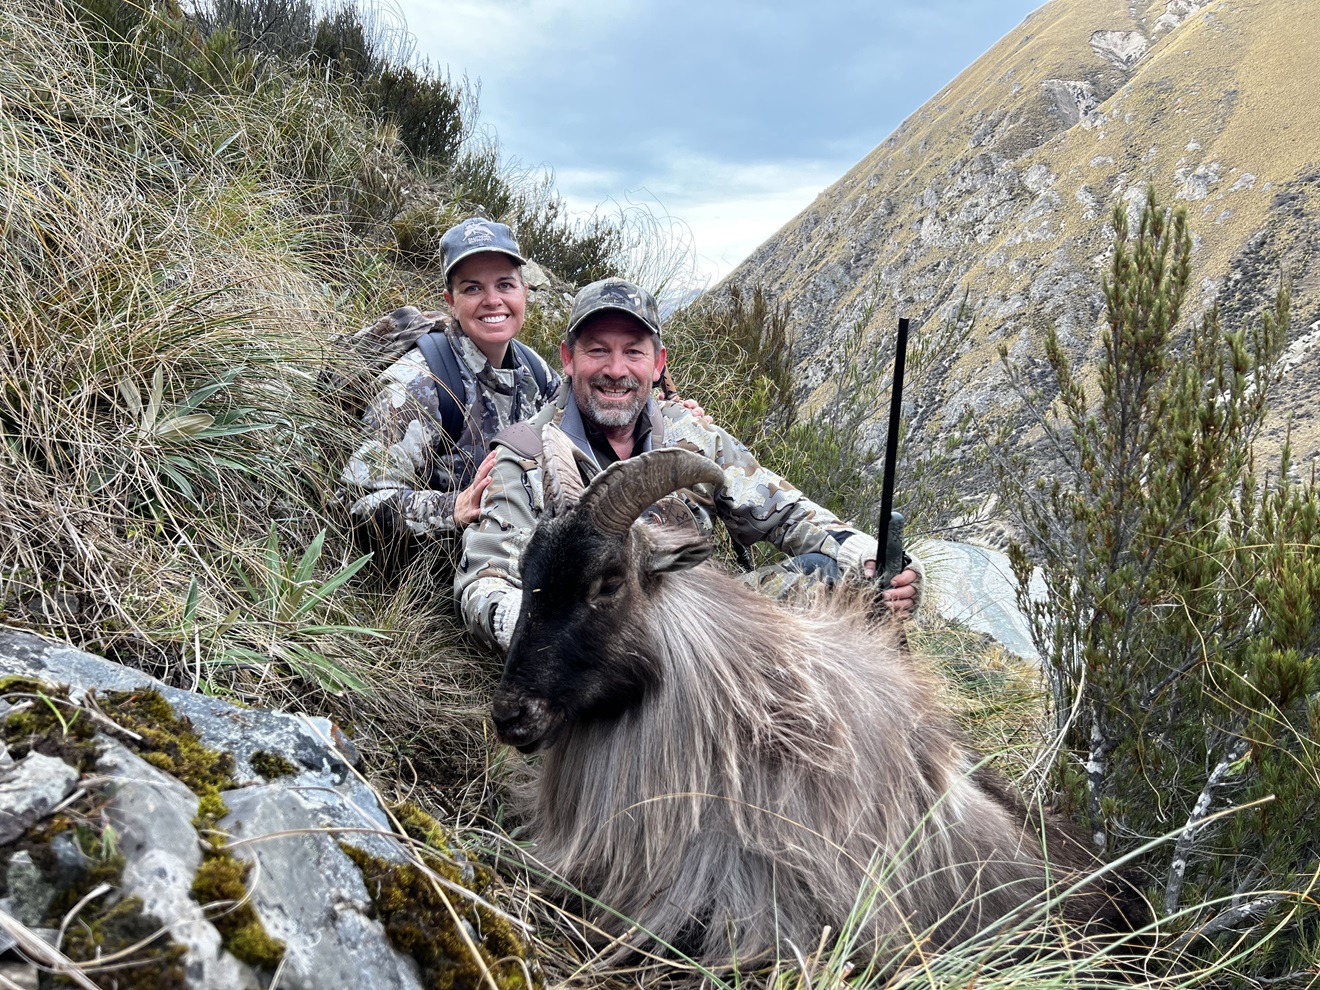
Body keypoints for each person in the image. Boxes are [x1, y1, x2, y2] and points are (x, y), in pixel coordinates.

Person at [456, 277, 923, 651]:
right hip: (594, 653)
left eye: (633, 351)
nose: (616, 369)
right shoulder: (525, 454)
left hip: (705, 634)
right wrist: (549, 629)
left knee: (835, 575)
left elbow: (788, 513)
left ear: (657, 364)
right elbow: (483, 583)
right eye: (598, 349)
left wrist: (871, 557)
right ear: (568, 359)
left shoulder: (692, 434)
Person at [341, 218, 560, 567]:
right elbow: (357, 501)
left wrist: (671, 419)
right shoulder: (418, 383)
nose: (492, 300)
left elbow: (588, 431)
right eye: (472, 289)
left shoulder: (537, 373)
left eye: (505, 284)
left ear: (524, 292)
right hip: (436, 581)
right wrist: (453, 508)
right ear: (451, 301)